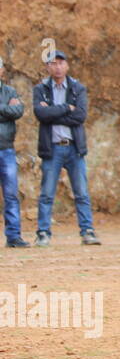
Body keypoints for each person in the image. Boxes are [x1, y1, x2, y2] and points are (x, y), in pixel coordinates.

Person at [32, 50, 99, 247]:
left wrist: (52, 111)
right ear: (47, 67)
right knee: (46, 193)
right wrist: (66, 108)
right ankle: (43, 232)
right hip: (51, 148)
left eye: (61, 63)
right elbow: (40, 114)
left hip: (74, 148)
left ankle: (87, 231)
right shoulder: (41, 89)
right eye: (53, 63)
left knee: (81, 192)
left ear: (67, 66)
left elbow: (80, 116)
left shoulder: (78, 88)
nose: (57, 67)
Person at [0, 59, 26, 248]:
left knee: (10, 194)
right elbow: (11, 110)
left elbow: (17, 111)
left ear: (1, 71)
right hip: (6, 150)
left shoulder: (9, 92)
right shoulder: (9, 96)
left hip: (6, 149)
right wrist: (5, 110)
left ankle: (14, 236)